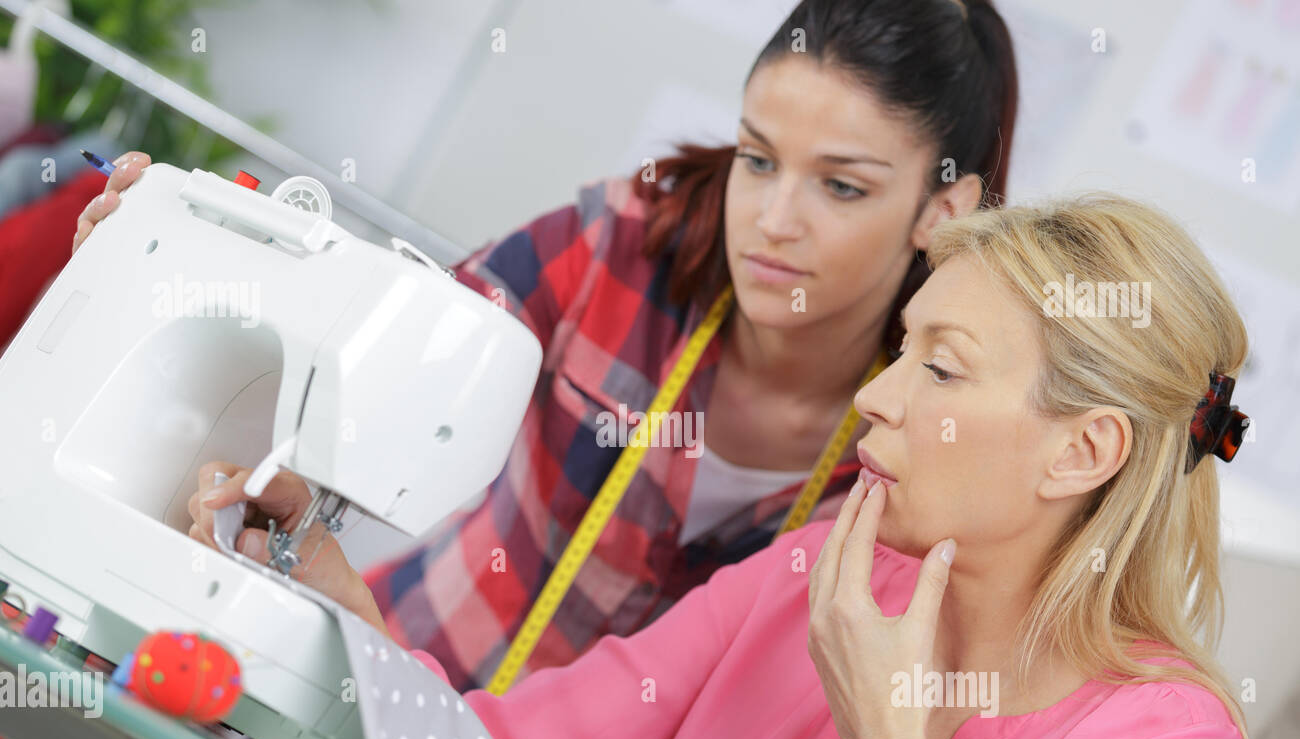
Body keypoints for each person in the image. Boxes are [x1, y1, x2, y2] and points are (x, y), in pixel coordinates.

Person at [73, 0, 1020, 693]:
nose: (772, 221)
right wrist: (185, 255)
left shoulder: (923, 452)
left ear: (944, 210)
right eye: (758, 159)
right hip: (375, 672)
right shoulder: (619, 243)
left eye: (841, 188)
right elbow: (390, 332)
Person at [399, 194, 1258, 739]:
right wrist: (310, 581)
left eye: (943, 369)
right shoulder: (821, 567)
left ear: (1081, 451)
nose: (874, 399)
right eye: (901, 354)